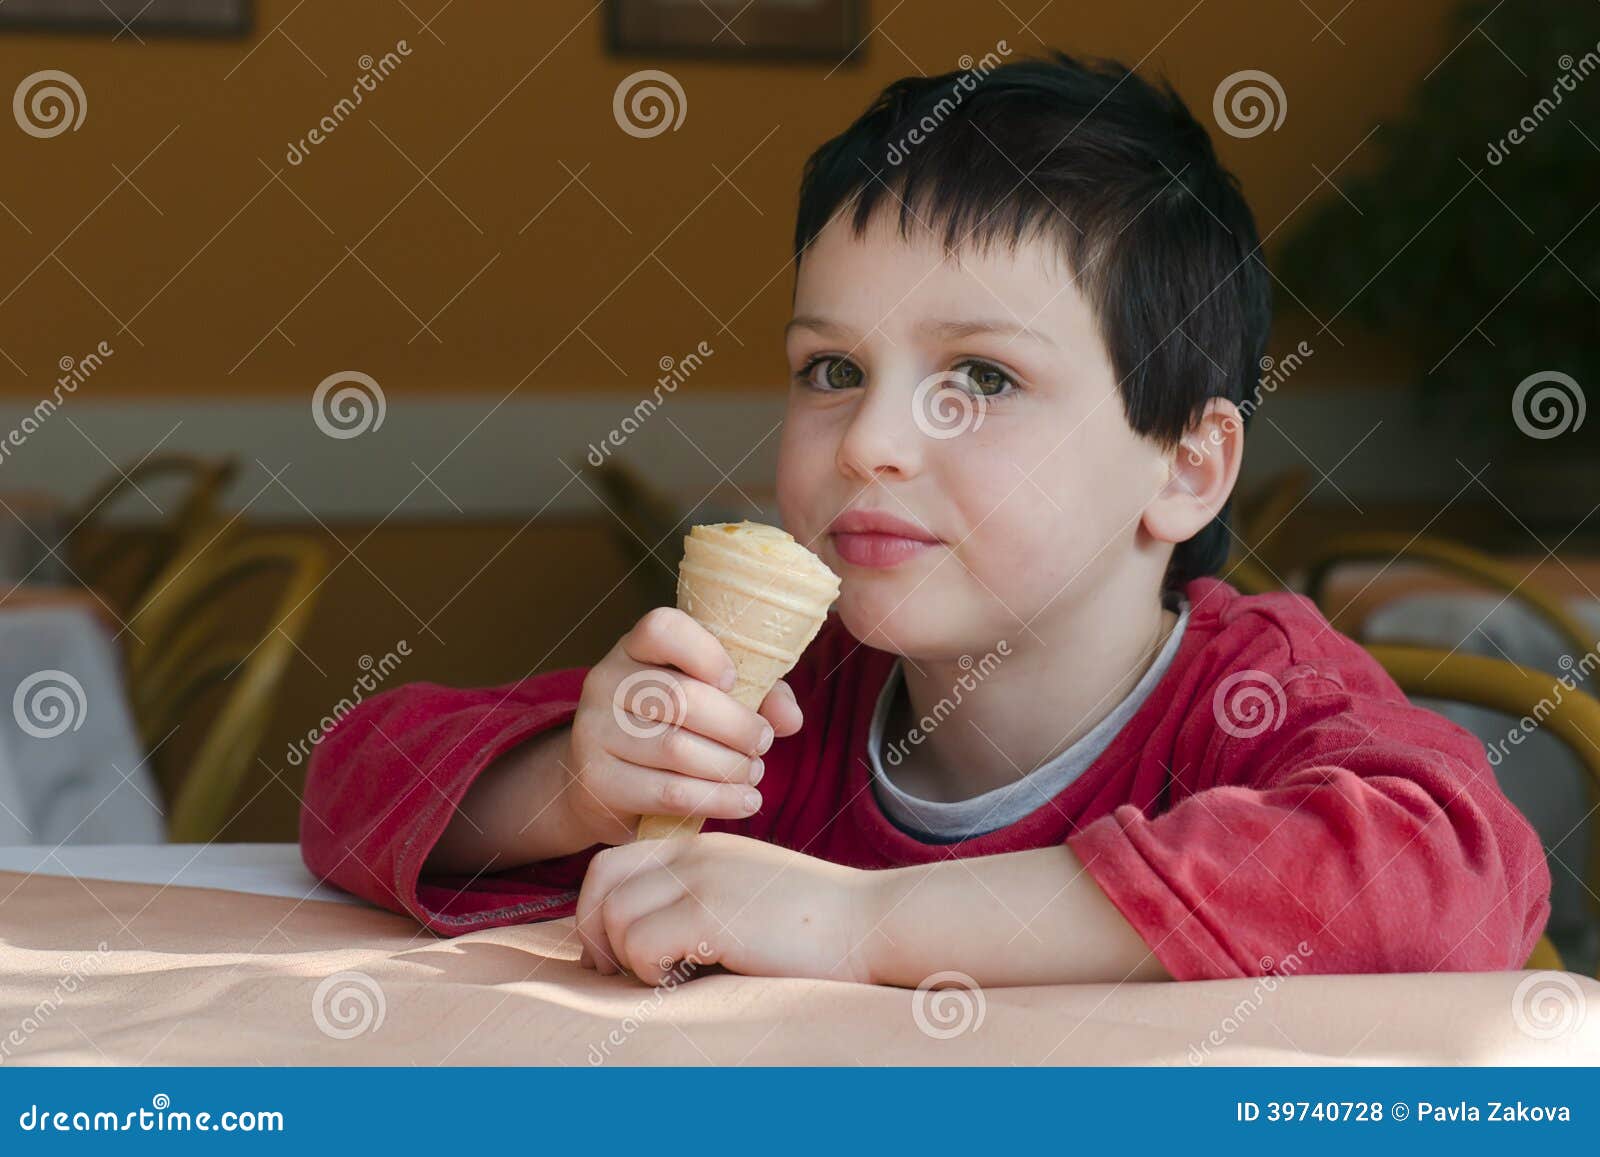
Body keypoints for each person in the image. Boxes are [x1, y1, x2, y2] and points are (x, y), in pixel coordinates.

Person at [300, 51, 1551, 988]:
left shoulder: (1251, 705)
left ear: (1184, 463)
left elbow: (1449, 877)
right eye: (831, 368)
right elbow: (348, 784)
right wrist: (575, 786)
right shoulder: (784, 708)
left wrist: (861, 921)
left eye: (983, 380)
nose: (870, 441)